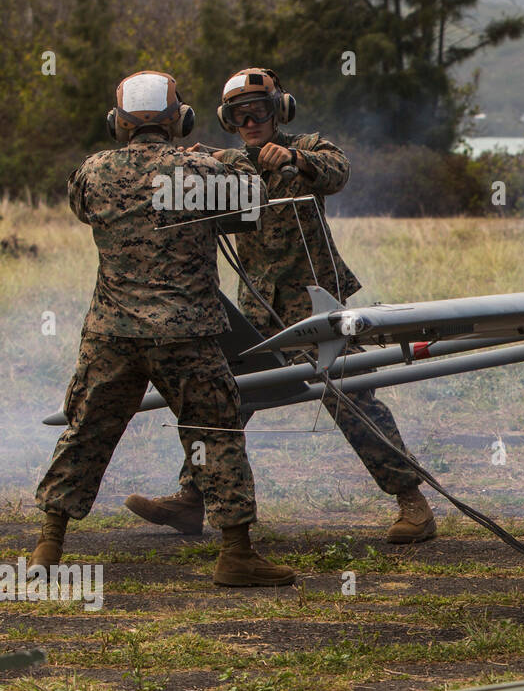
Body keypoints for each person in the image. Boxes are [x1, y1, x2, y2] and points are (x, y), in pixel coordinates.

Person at [124, 67, 436, 544]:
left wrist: (294, 158)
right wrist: (189, 163)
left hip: (316, 300)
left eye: (259, 111)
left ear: (280, 110)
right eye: (238, 115)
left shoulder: (309, 148)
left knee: (349, 396)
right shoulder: (225, 165)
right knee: (222, 399)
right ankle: (192, 498)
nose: (250, 122)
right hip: (255, 306)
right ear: (227, 120)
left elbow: (339, 170)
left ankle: (412, 503)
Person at [33, 70, 295, 587]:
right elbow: (252, 208)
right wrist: (228, 162)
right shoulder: (198, 170)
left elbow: (88, 212)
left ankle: (48, 543)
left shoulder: (92, 172)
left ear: (118, 123)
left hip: (112, 332)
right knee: (216, 434)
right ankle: (236, 555)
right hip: (188, 334)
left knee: (86, 432)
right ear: (181, 119)